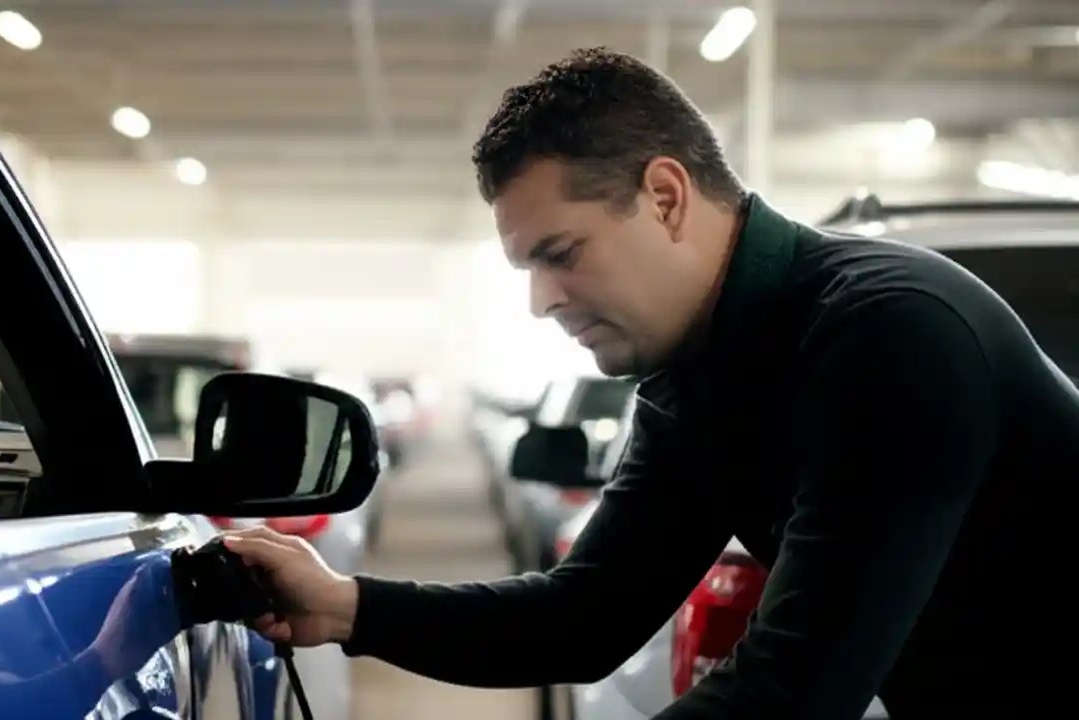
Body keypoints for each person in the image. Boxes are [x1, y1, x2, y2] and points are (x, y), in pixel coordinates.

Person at [222, 48, 1074, 718]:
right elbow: (585, 616)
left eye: (560, 255)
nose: (540, 301)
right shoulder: (695, 380)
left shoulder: (892, 334)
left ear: (665, 197)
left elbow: (792, 695)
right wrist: (346, 608)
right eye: (525, 268)